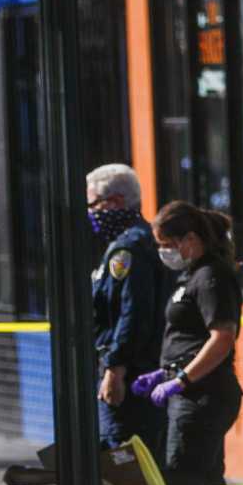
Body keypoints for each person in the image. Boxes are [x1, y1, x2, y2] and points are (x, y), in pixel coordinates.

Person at [130, 201, 242, 485]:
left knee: (188, 484)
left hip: (202, 397)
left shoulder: (211, 276)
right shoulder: (193, 275)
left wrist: (182, 379)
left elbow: (222, 337)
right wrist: (164, 374)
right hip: (189, 391)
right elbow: (190, 339)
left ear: (190, 239)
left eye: (167, 243)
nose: (165, 252)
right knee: (203, 482)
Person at [86, 163, 167, 457]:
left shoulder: (128, 250)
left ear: (115, 202)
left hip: (131, 375)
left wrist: (115, 368)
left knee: (122, 453)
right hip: (143, 370)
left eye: (93, 205)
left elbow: (132, 314)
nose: (91, 213)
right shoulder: (144, 239)